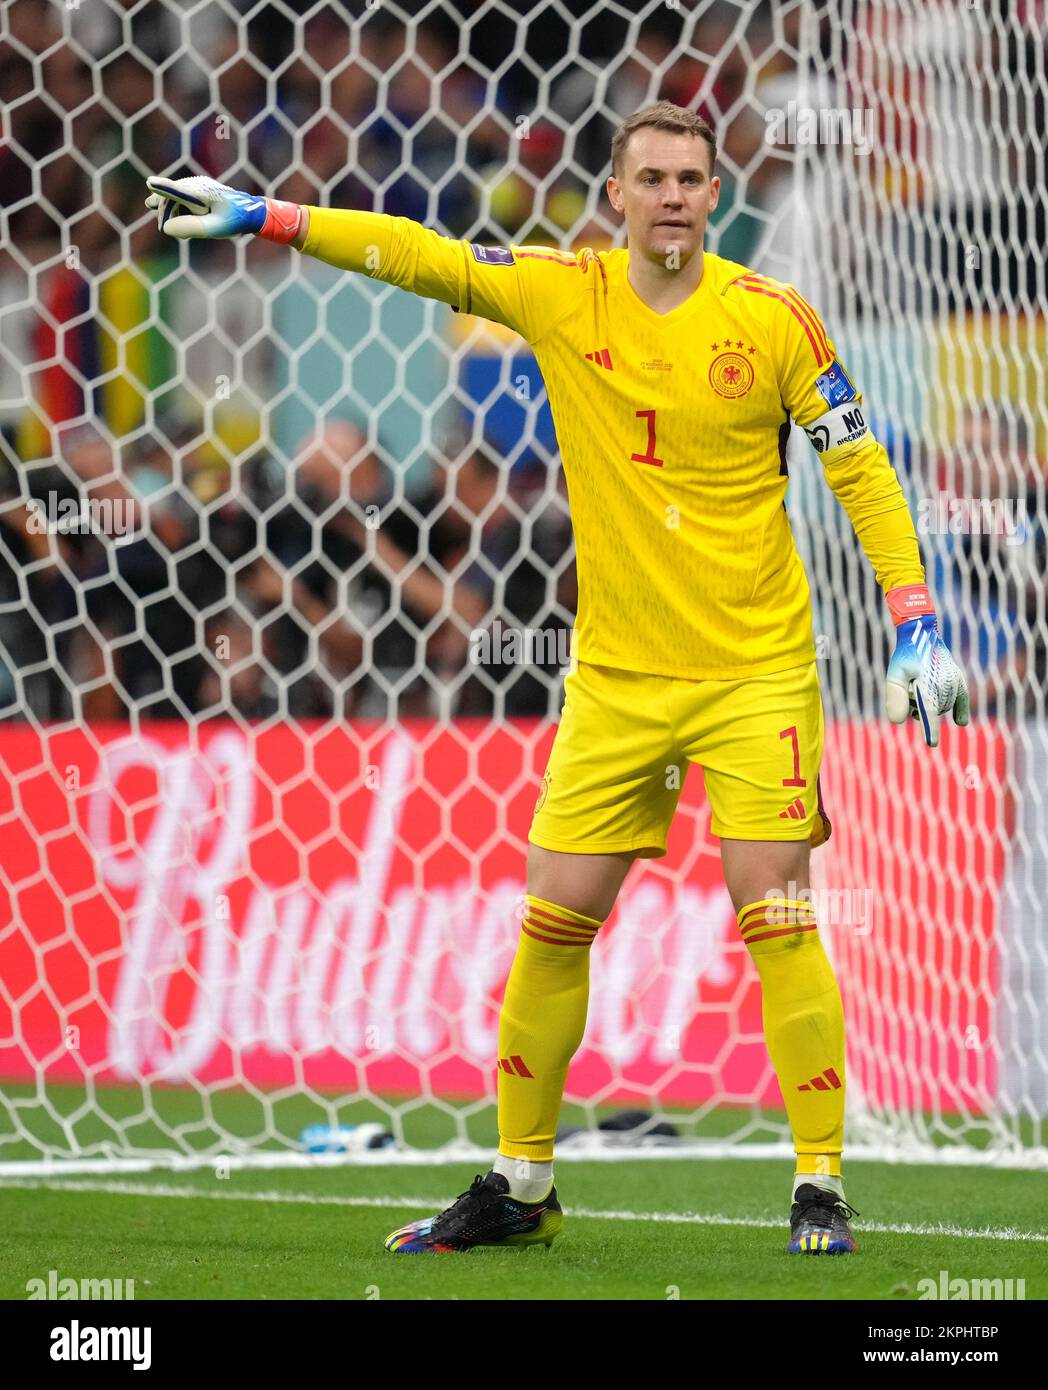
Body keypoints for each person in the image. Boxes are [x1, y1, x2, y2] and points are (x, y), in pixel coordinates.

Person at [143, 99, 968, 1257]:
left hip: (754, 670)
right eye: (653, 178)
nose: (674, 195)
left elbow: (863, 470)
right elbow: (423, 256)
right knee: (553, 920)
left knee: (775, 917)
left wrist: (915, 615)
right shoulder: (560, 290)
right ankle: (519, 1184)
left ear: (713, 196)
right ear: (615, 196)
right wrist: (270, 215)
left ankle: (819, 1184)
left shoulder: (775, 319)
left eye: (693, 177)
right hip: (616, 679)